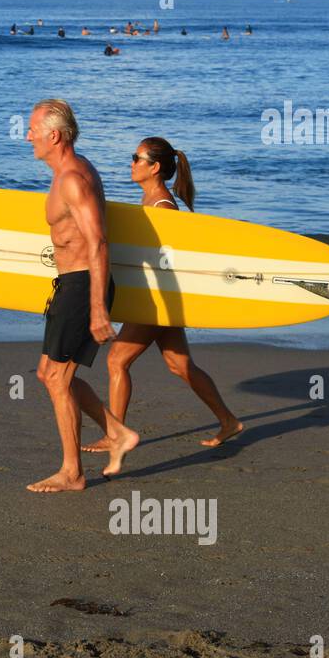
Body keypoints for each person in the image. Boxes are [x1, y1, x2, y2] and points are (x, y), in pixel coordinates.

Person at [83, 138, 243, 462]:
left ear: (154, 167)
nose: (131, 163)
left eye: (136, 158)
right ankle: (229, 421)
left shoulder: (164, 207)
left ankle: (116, 436)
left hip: (157, 301)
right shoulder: (149, 199)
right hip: (159, 299)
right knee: (179, 364)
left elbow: (172, 261)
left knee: (117, 361)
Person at [24, 100, 139, 492]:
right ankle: (117, 433)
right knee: (48, 374)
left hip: (82, 287)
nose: (27, 136)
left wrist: (96, 308)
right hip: (69, 287)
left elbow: (98, 242)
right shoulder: (67, 174)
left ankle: (72, 473)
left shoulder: (73, 178)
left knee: (57, 377)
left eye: (33, 130)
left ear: (53, 135)